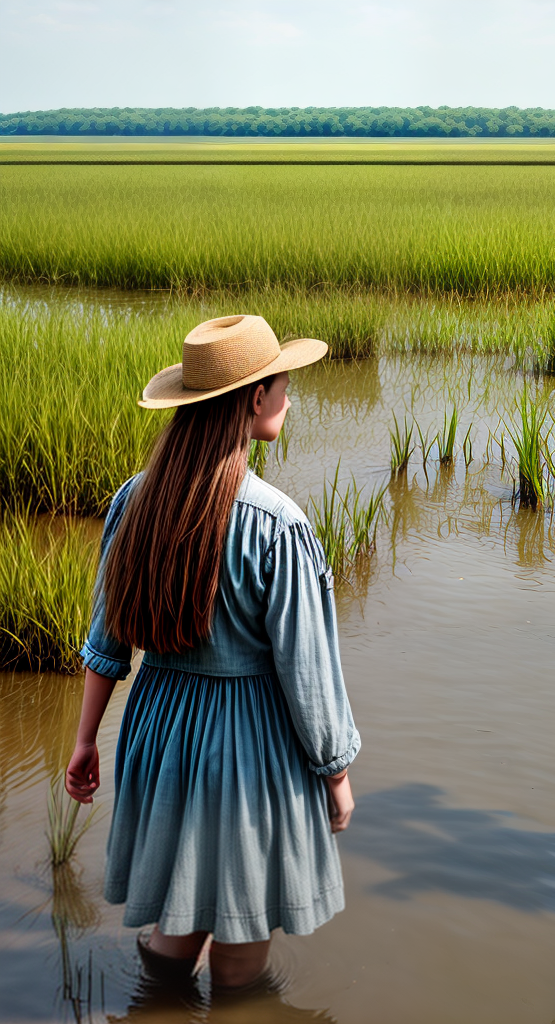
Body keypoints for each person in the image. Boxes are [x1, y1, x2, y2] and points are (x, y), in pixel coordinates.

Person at [64, 314, 360, 991]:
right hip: (247, 741)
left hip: (159, 726)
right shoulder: (277, 523)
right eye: (284, 383)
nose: (290, 396)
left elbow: (106, 641)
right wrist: (336, 772)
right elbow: (306, 672)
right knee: (243, 923)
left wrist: (85, 741)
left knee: (182, 905)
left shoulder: (133, 501)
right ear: (255, 398)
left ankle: (154, 1002)